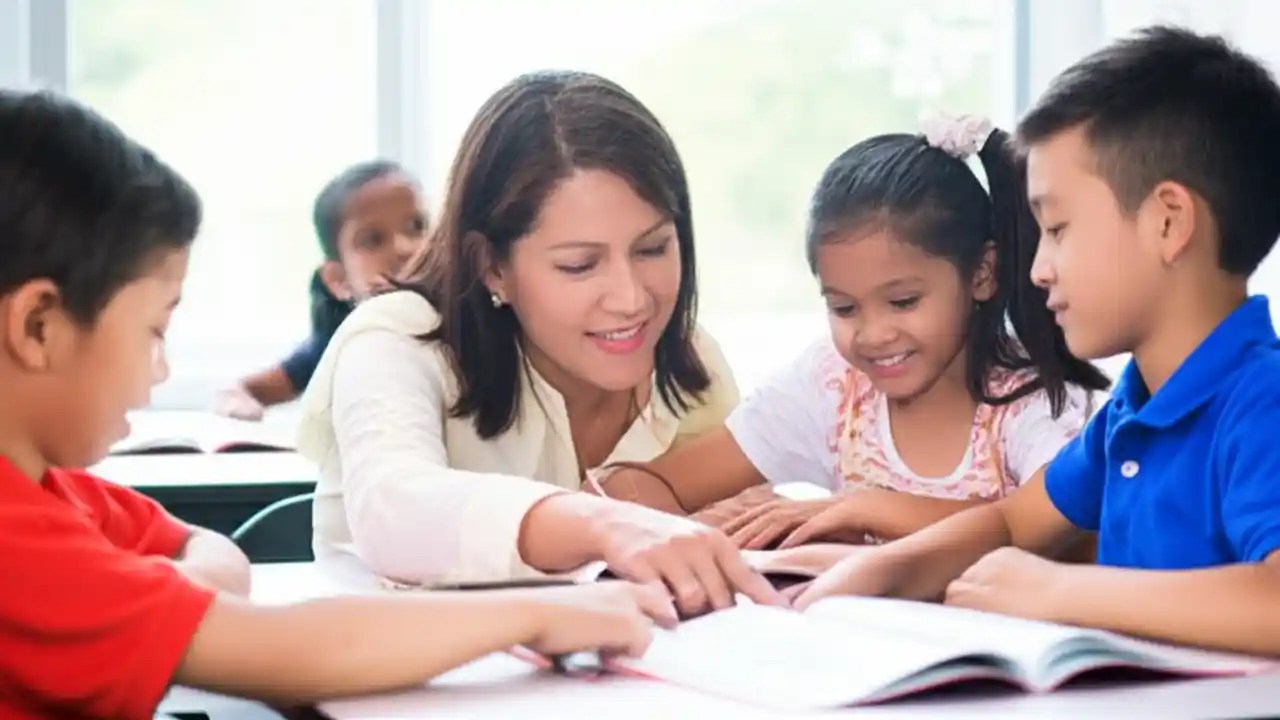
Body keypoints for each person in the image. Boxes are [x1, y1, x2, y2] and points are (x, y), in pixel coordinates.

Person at [0, 88, 672, 720]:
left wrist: (185, 591)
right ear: (38, 327)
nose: (162, 370)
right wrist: (537, 614)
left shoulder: (59, 494)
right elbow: (293, 648)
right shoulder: (15, 538)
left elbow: (214, 555)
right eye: (153, 331)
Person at [793, 26, 1280, 657]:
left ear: (1167, 222)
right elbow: (1012, 521)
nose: (1038, 268)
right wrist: (875, 574)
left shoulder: (1261, 402)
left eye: (1057, 228)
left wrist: (1060, 591)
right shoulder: (1131, 416)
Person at [296, 70, 786, 617]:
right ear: (493, 268)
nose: (631, 300)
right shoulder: (398, 338)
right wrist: (606, 525)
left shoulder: (690, 360)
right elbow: (392, 510)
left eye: (652, 249)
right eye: (579, 265)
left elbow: (736, 526)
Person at [586, 116, 1109, 553]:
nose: (874, 334)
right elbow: (631, 485)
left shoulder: (1034, 397)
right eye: (843, 307)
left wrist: (865, 508)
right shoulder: (833, 386)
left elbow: (1046, 527)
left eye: (904, 301)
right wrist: (705, 540)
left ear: (982, 274)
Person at [215, 161, 429, 420]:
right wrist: (240, 410)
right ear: (338, 279)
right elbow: (238, 391)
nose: (405, 248)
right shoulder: (337, 348)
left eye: (417, 226)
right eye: (373, 239)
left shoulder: (470, 325)